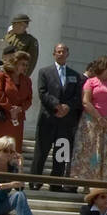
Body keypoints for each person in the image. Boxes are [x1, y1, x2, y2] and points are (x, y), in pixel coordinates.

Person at [34, 43, 83, 190]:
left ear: (67, 54)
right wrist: (57, 106)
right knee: (41, 152)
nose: (61, 54)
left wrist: (67, 107)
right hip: (48, 118)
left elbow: (77, 96)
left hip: (65, 121)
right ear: (54, 54)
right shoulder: (45, 72)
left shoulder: (75, 75)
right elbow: (42, 93)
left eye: (63, 51)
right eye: (58, 52)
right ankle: (35, 180)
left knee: (61, 154)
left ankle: (55, 182)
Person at [71, 56, 107, 187]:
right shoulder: (91, 82)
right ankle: (88, 183)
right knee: (91, 152)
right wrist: (99, 118)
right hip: (92, 123)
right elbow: (86, 101)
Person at [0, 49, 32, 155]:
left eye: (26, 65)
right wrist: (10, 108)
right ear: (15, 63)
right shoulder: (1, 75)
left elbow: (29, 100)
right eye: (22, 64)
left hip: (17, 120)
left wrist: (20, 109)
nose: (25, 67)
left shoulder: (27, 80)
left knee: (14, 149)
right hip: (2, 117)